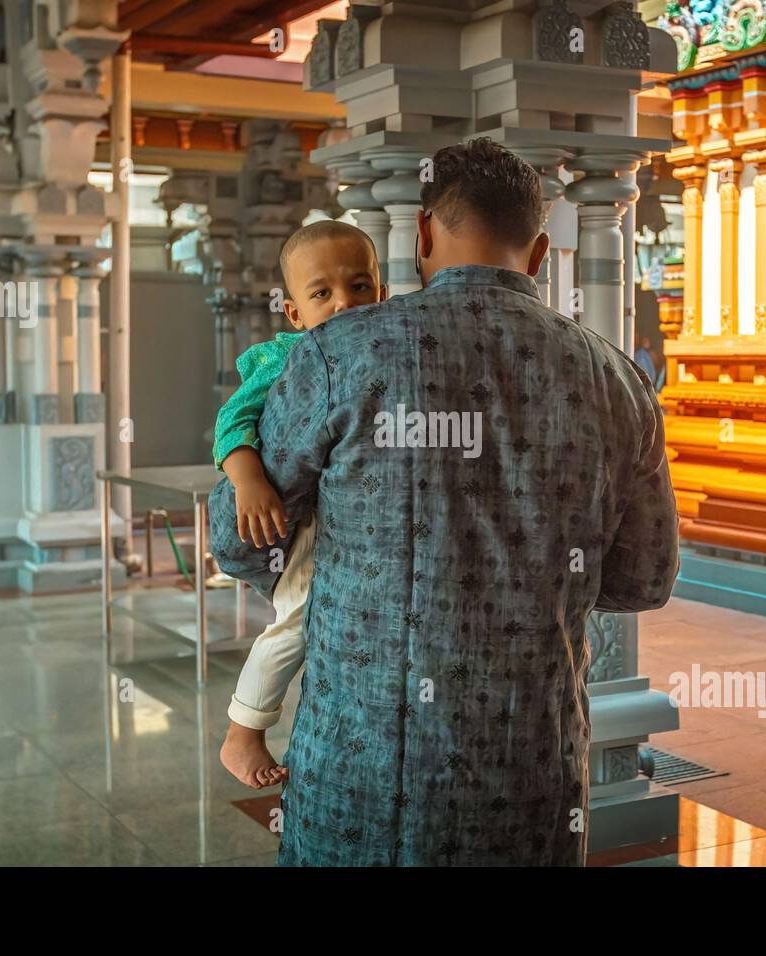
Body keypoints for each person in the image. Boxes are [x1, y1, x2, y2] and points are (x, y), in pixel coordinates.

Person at [209, 137, 679, 866]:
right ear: (541, 253)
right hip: (532, 767)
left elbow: (239, 539)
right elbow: (643, 580)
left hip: (363, 769)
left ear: (423, 234)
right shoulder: (617, 380)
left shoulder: (339, 355)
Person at [213, 220, 385, 789]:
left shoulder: (388, 344)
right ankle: (243, 730)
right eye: (322, 293)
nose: (344, 303)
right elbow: (231, 423)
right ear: (294, 313)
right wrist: (248, 480)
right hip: (300, 520)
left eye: (359, 286)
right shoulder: (285, 357)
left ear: (382, 292)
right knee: (298, 620)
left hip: (351, 520)